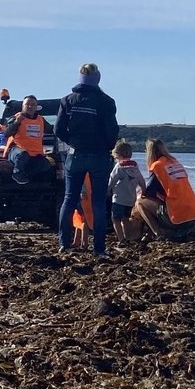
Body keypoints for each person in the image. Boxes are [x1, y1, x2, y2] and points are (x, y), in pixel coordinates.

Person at [56, 63, 121, 256]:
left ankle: (64, 244)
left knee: (69, 199)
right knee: (98, 202)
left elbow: (58, 130)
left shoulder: (68, 100)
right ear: (97, 78)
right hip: (99, 156)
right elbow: (112, 131)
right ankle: (99, 249)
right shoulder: (106, 102)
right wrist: (107, 147)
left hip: (75, 154)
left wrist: (73, 142)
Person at [133, 138, 195, 241]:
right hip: (194, 214)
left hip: (177, 217)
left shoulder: (157, 166)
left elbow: (148, 194)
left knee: (140, 202)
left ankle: (158, 233)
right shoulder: (175, 163)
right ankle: (188, 228)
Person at [2, 96, 54, 184]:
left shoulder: (40, 119)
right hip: (16, 151)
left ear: (36, 107)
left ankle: (29, 177)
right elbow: (6, 133)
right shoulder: (16, 117)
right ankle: (16, 173)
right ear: (23, 106)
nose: (30, 106)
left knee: (46, 164)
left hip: (35, 154)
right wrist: (16, 122)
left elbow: (52, 130)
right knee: (23, 154)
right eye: (27, 104)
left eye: (32, 104)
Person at [108, 140, 145, 243]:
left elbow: (111, 181)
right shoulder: (135, 166)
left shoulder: (119, 167)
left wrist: (106, 191)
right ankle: (128, 236)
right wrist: (144, 190)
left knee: (115, 219)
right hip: (130, 199)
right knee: (126, 218)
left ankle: (121, 239)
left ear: (117, 155)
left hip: (119, 199)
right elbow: (141, 180)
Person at [70, 172, 94, 250]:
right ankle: (81, 242)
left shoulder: (81, 170)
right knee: (83, 221)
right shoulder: (89, 171)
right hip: (85, 198)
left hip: (81, 197)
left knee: (81, 220)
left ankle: (80, 242)